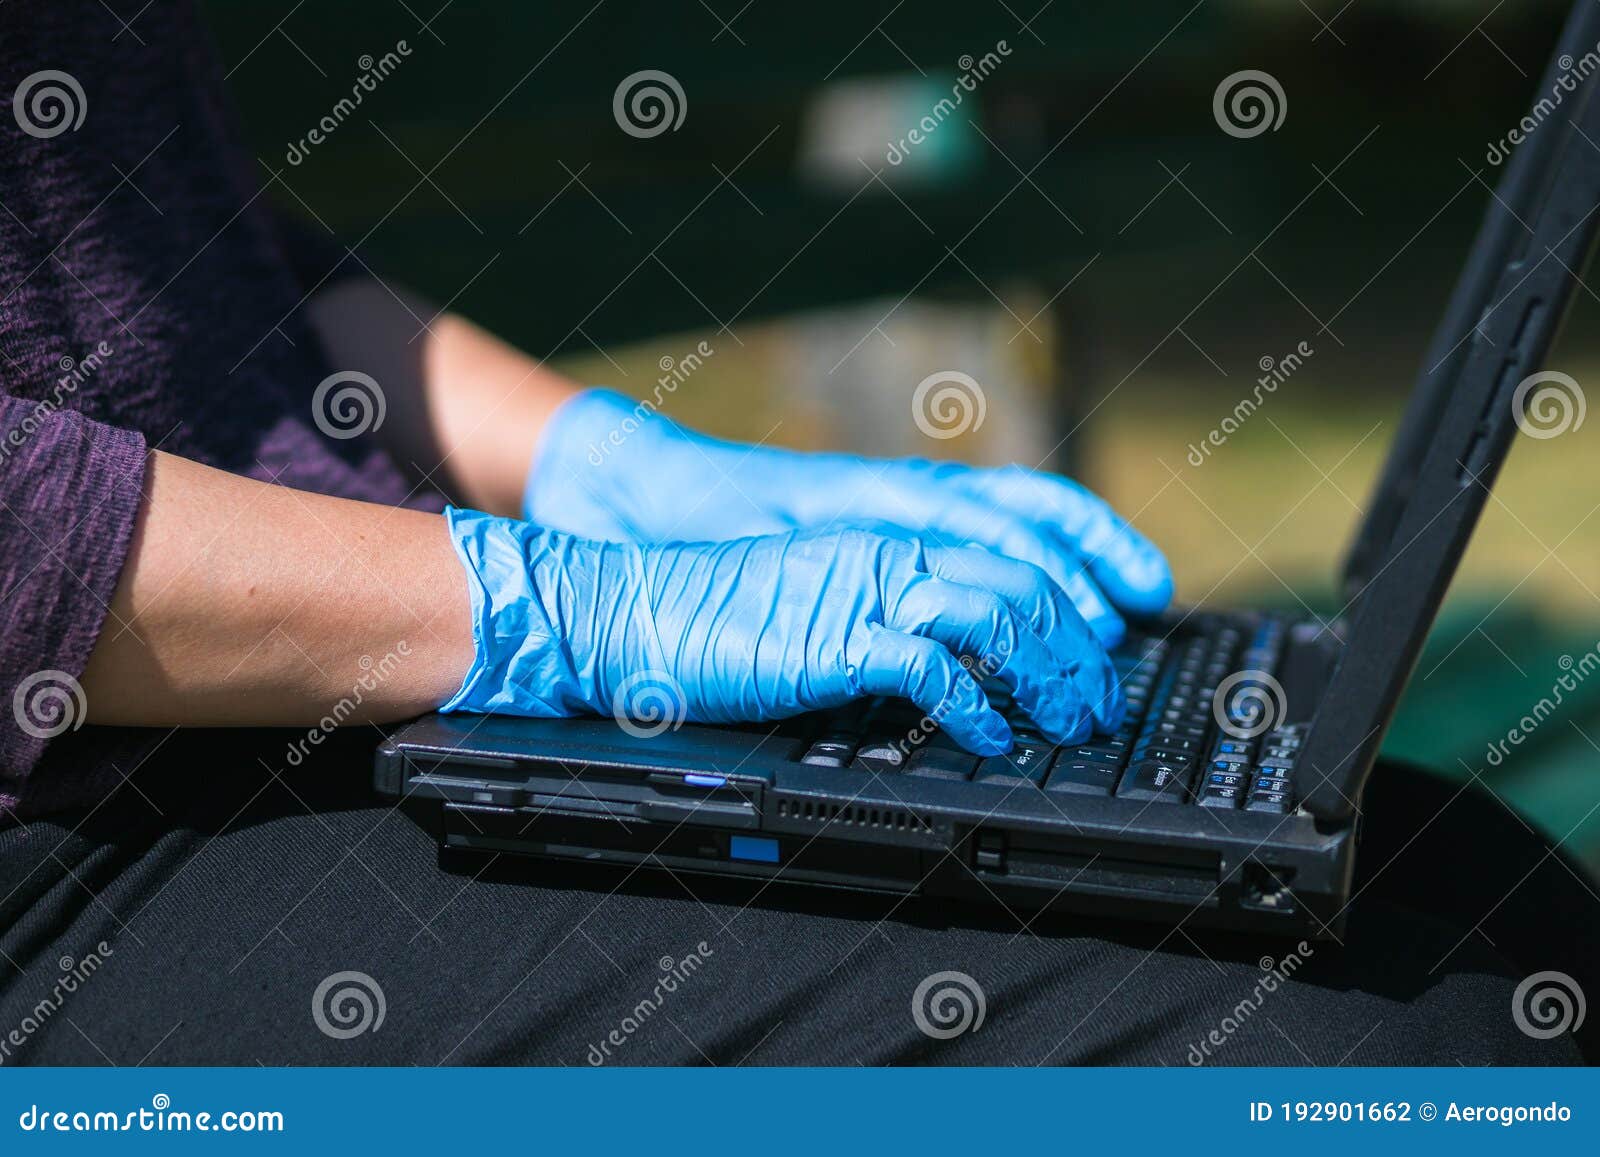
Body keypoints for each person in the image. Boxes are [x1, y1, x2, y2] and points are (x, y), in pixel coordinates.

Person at [0, 3, 1590, 1066]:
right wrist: (571, 605)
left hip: (335, 662)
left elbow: (175, 250)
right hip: (81, 839)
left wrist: (609, 464)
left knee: (1470, 898)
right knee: (1396, 1043)